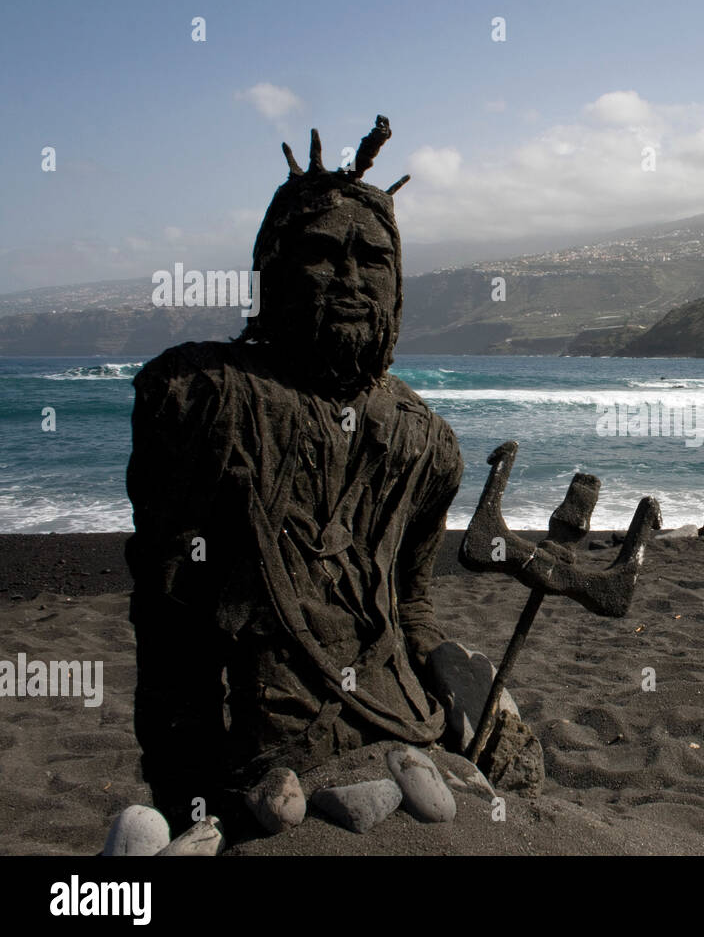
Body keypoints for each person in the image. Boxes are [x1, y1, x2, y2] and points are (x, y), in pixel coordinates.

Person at [126, 117, 465, 832]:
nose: (349, 278)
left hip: (407, 730)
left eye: (372, 259)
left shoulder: (426, 441)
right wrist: (189, 790)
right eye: (321, 253)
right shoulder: (203, 399)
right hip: (265, 756)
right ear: (273, 268)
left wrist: (459, 680)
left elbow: (411, 601)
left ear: (397, 281)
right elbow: (171, 627)